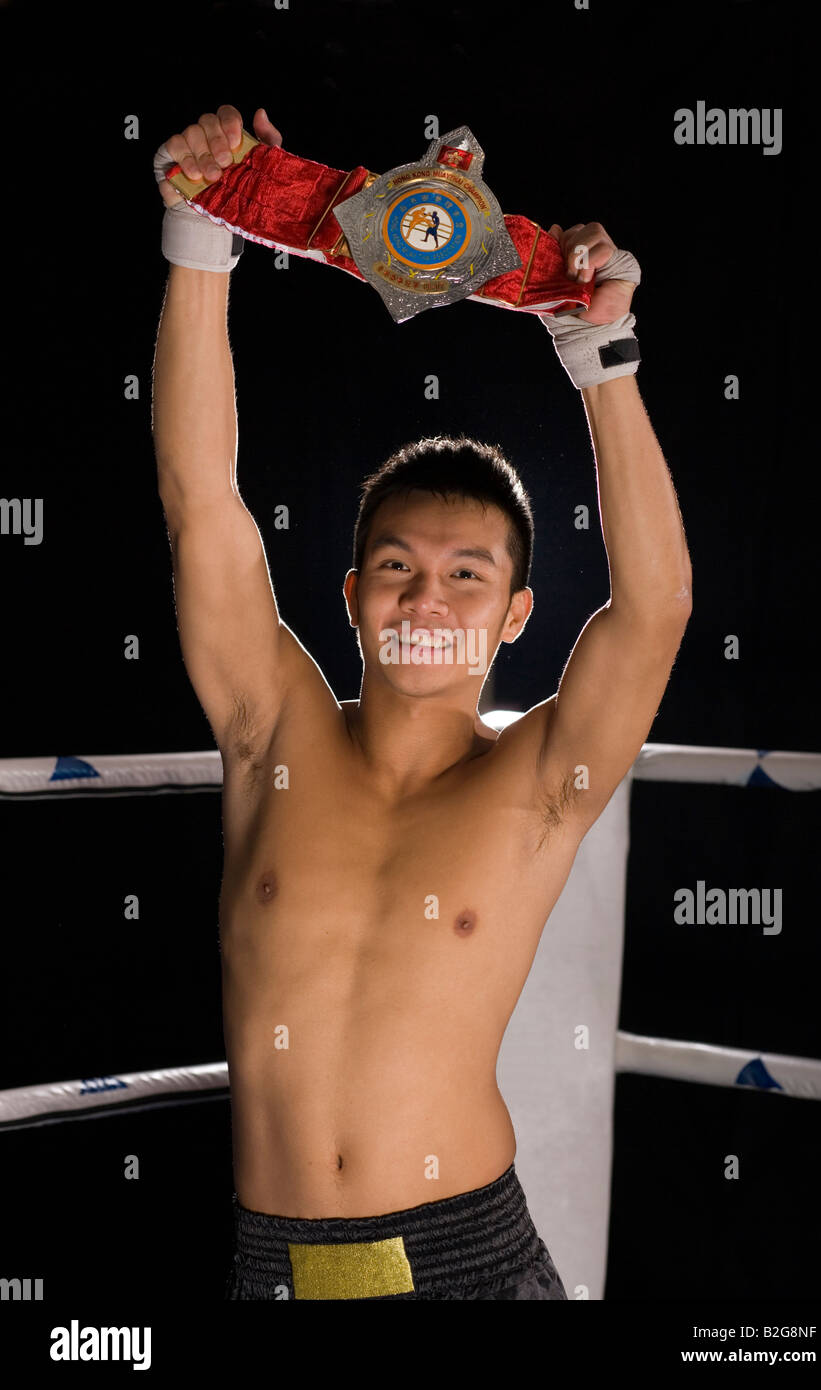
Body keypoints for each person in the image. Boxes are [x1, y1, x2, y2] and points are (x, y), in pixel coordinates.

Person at [152, 104, 692, 1301]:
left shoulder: (534, 786)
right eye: (396, 567)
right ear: (352, 594)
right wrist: (201, 238)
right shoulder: (271, 727)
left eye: (466, 574)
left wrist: (598, 359)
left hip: (468, 1262)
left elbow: (651, 613)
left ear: (512, 616)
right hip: (273, 1267)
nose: (424, 595)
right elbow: (203, 503)